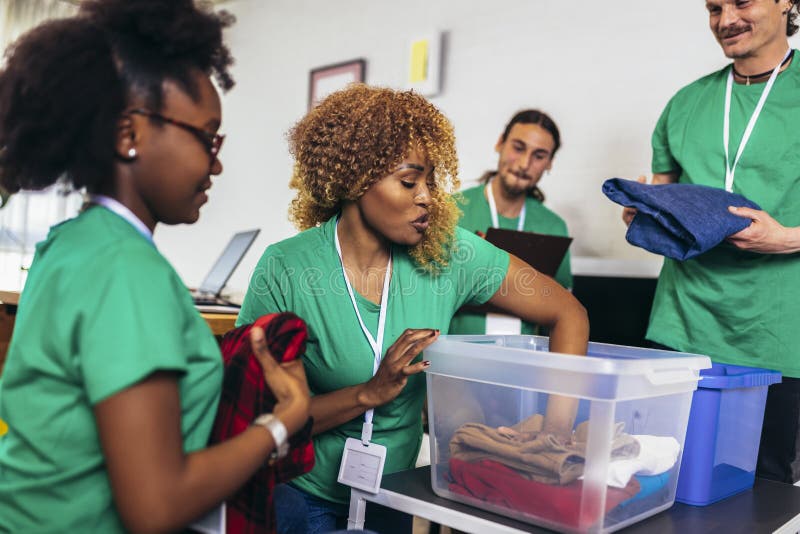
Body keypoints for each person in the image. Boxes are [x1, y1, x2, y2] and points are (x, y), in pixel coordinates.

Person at [0, 2, 310, 533]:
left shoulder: (73, 240)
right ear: (128, 133)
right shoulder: (128, 270)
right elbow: (155, 505)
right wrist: (282, 424)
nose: (215, 163)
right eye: (206, 138)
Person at [237, 83, 589, 533]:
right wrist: (369, 392)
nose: (427, 197)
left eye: (429, 181)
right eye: (409, 182)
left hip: (394, 494)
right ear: (354, 178)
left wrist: (552, 436)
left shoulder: (449, 253)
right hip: (304, 498)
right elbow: (263, 418)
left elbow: (569, 314)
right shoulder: (286, 267)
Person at [623, 0, 800, 483]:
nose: (726, 21)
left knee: (761, 493)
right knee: (661, 481)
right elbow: (663, 195)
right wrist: (647, 214)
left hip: (777, 338)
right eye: (714, 7)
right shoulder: (686, 103)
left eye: (741, 2)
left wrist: (786, 238)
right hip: (683, 326)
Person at [449, 109, 572, 336]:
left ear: (550, 163)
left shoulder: (554, 227)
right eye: (518, 148)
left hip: (524, 361)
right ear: (500, 144)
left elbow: (563, 310)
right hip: (457, 358)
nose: (525, 163)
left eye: (539, 155)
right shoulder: (452, 210)